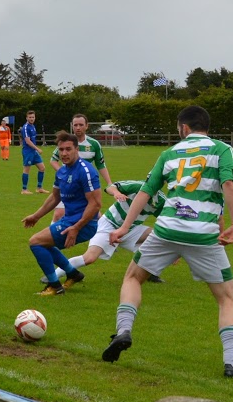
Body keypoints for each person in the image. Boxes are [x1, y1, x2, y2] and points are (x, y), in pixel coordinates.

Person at [103, 104, 233, 377]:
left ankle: (123, 330)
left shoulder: (169, 153)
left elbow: (146, 191)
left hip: (166, 229)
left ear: (184, 128)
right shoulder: (222, 149)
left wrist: (124, 227)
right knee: (226, 298)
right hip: (204, 235)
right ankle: (231, 363)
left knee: (133, 278)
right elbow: (228, 183)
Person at [22, 132, 102, 295]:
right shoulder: (62, 172)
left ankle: (55, 286)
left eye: (68, 149)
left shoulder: (86, 171)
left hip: (84, 224)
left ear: (76, 149)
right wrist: (36, 216)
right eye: (61, 150)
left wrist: (76, 228)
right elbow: (55, 197)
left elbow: (95, 204)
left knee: (35, 242)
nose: (64, 153)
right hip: (69, 220)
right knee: (44, 243)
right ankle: (73, 274)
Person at [68, 177, 165, 278]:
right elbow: (110, 187)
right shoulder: (137, 186)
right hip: (109, 225)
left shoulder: (161, 201)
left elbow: (165, 222)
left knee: (156, 237)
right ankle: (53, 277)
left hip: (131, 230)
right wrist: (116, 193)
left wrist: (168, 244)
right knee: (89, 258)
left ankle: (148, 272)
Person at [19, 111, 44, 194]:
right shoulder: (25, 127)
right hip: (28, 151)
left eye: (33, 117)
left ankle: (39, 188)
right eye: (30, 117)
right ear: (27, 118)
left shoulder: (33, 126)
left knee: (42, 168)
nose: (31, 119)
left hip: (33, 151)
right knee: (26, 169)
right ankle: (24, 189)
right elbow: (28, 141)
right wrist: (37, 149)